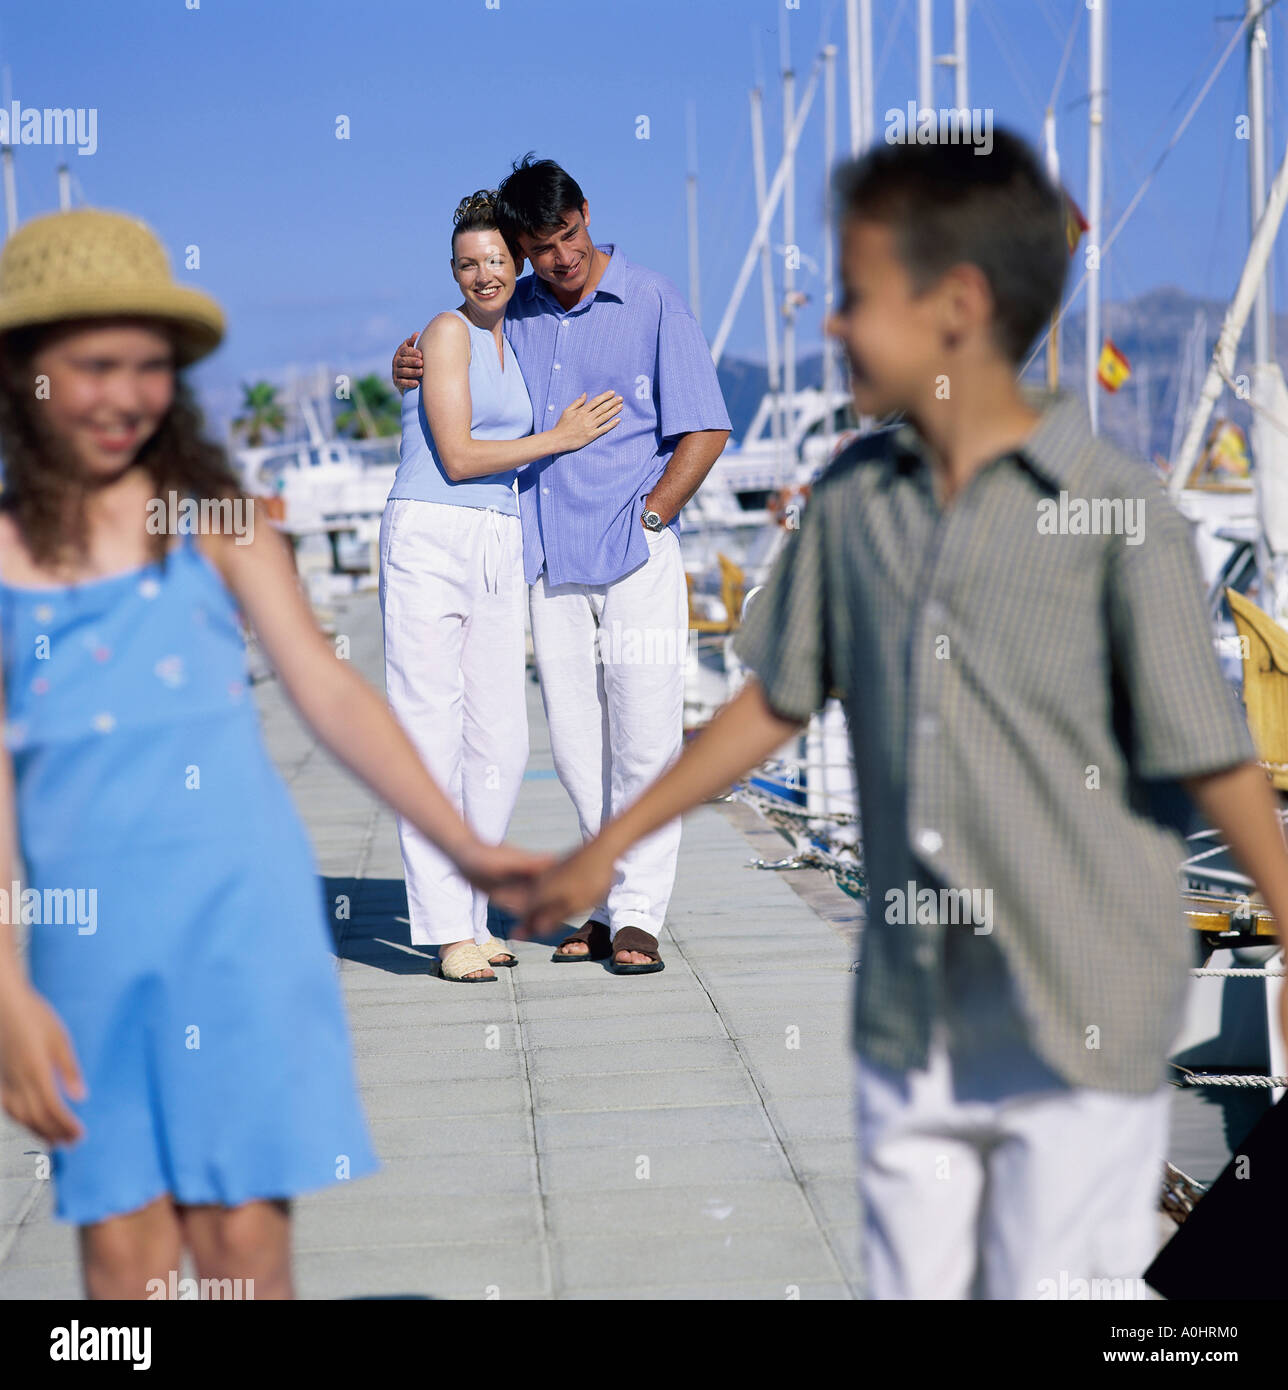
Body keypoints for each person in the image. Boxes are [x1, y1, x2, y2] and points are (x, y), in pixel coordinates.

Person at [514, 131, 1288, 1298]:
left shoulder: (1114, 509)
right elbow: (766, 709)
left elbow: (1213, 754)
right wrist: (608, 845)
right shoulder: (852, 506)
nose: (831, 328)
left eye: (858, 298)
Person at [0, 208, 548, 1298]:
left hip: (242, 931)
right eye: (92, 365)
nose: (124, 395)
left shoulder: (223, 524)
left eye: (149, 366)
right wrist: (7, 986)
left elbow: (335, 698)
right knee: (124, 1264)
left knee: (249, 1254)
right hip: (85, 958)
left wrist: (473, 853)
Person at [394, 155, 730, 974]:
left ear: (587, 213)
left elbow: (707, 429)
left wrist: (654, 515)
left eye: (569, 236)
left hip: (636, 555)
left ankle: (641, 915)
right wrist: (406, 363)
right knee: (578, 748)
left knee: (646, 736)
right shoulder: (519, 307)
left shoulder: (651, 300)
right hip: (545, 559)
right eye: (541, 247)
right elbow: (449, 358)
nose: (561, 258)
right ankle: (605, 905)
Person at [382, 189, 620, 983]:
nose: (484, 274)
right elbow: (454, 455)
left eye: (494, 260)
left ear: (514, 263)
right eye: (467, 264)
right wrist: (560, 438)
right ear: (451, 273)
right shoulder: (449, 331)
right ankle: (448, 930)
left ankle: (472, 912)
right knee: (429, 735)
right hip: (429, 530)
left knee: (501, 743)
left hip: (494, 537)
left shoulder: (516, 330)